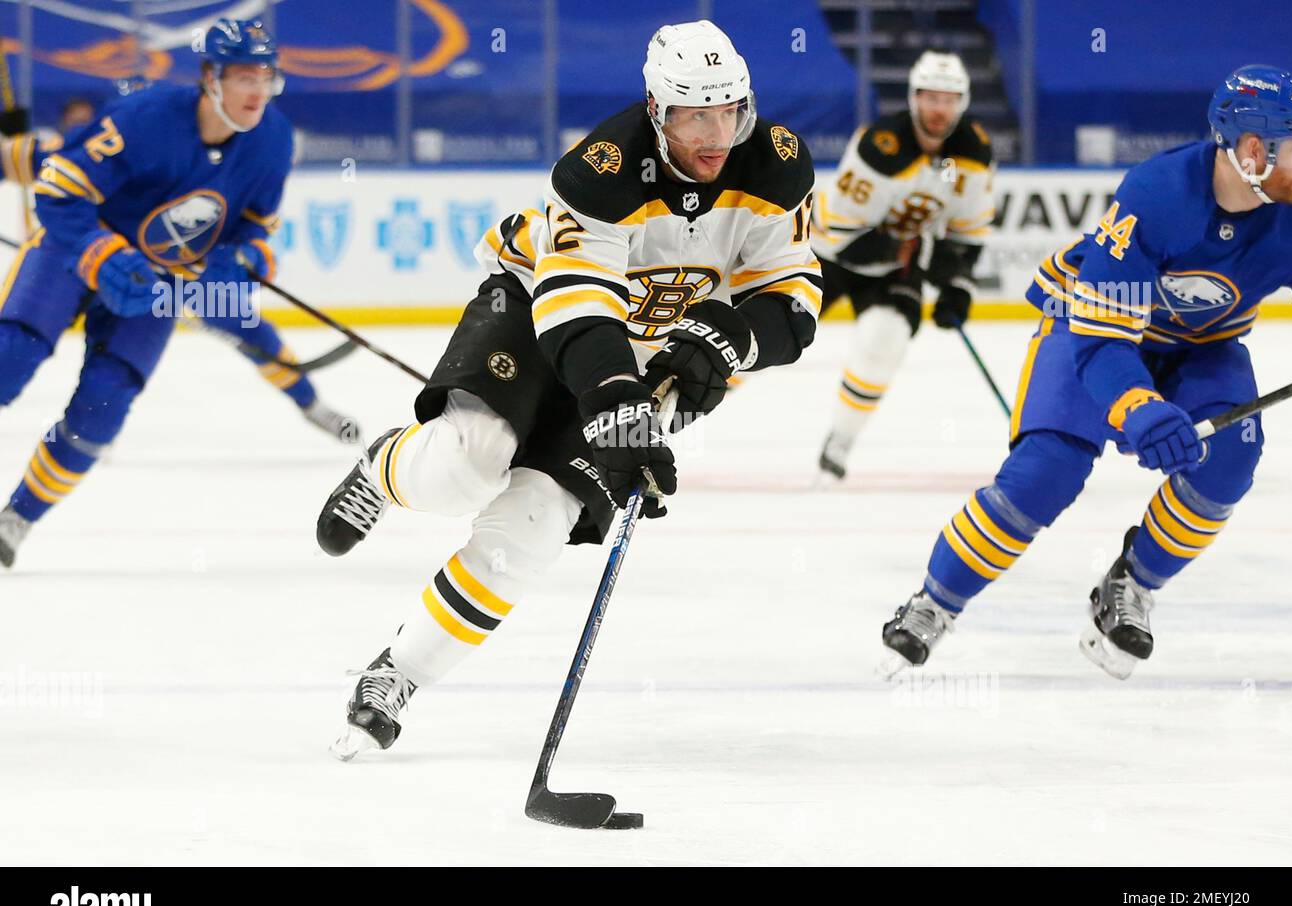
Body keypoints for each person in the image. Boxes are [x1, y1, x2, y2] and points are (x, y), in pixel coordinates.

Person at [316, 19, 823, 759]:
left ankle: (398, 673)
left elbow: (793, 299)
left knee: (532, 527)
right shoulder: (602, 168)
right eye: (693, 114)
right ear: (657, 110)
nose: (716, 133)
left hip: (648, 359)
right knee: (469, 462)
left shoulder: (776, 166)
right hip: (534, 312)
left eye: (730, 110)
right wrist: (619, 407)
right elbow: (576, 308)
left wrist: (722, 345)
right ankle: (385, 466)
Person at [877, 65, 1292, 680]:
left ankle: (1131, 583)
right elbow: (1102, 337)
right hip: (1090, 331)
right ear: (1253, 150)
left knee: (1232, 456)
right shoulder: (1160, 194)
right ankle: (934, 604)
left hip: (1202, 346)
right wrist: (1138, 407)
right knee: (1046, 471)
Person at [0, 18, 349, 569]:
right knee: (9, 361)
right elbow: (59, 187)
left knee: (103, 408)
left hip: (159, 282)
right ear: (210, 77)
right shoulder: (144, 118)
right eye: (242, 76)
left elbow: (258, 228)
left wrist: (242, 261)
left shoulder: (274, 139)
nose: (258, 89)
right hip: (73, 251)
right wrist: (100, 254)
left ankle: (16, 519)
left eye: (266, 75)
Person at [812, 50, 995, 479]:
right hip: (829, 254)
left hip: (896, 264)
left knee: (886, 339)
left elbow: (967, 231)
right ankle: (675, 412)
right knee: (759, 338)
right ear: (914, 98)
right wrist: (908, 251)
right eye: (931, 97)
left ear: (963, 103)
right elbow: (844, 235)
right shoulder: (882, 146)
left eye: (949, 99)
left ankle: (839, 443)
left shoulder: (970, 152)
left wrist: (956, 285)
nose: (939, 108)